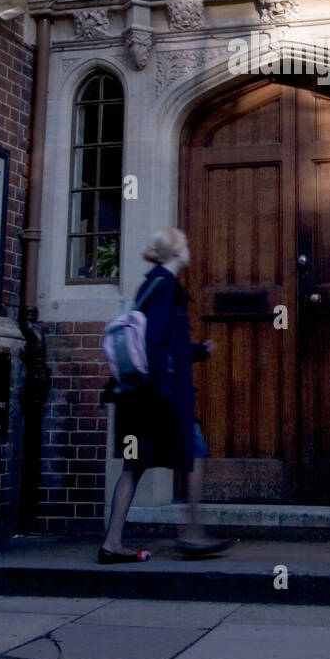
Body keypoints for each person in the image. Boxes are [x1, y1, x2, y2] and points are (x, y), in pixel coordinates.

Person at [99, 226, 234, 562]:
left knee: (134, 465)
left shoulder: (152, 284)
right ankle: (192, 534)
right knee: (194, 449)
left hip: (140, 394)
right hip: (160, 395)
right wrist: (166, 396)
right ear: (175, 251)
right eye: (185, 243)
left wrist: (198, 350)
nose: (189, 247)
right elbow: (156, 344)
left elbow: (161, 344)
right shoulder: (165, 287)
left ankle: (112, 542)